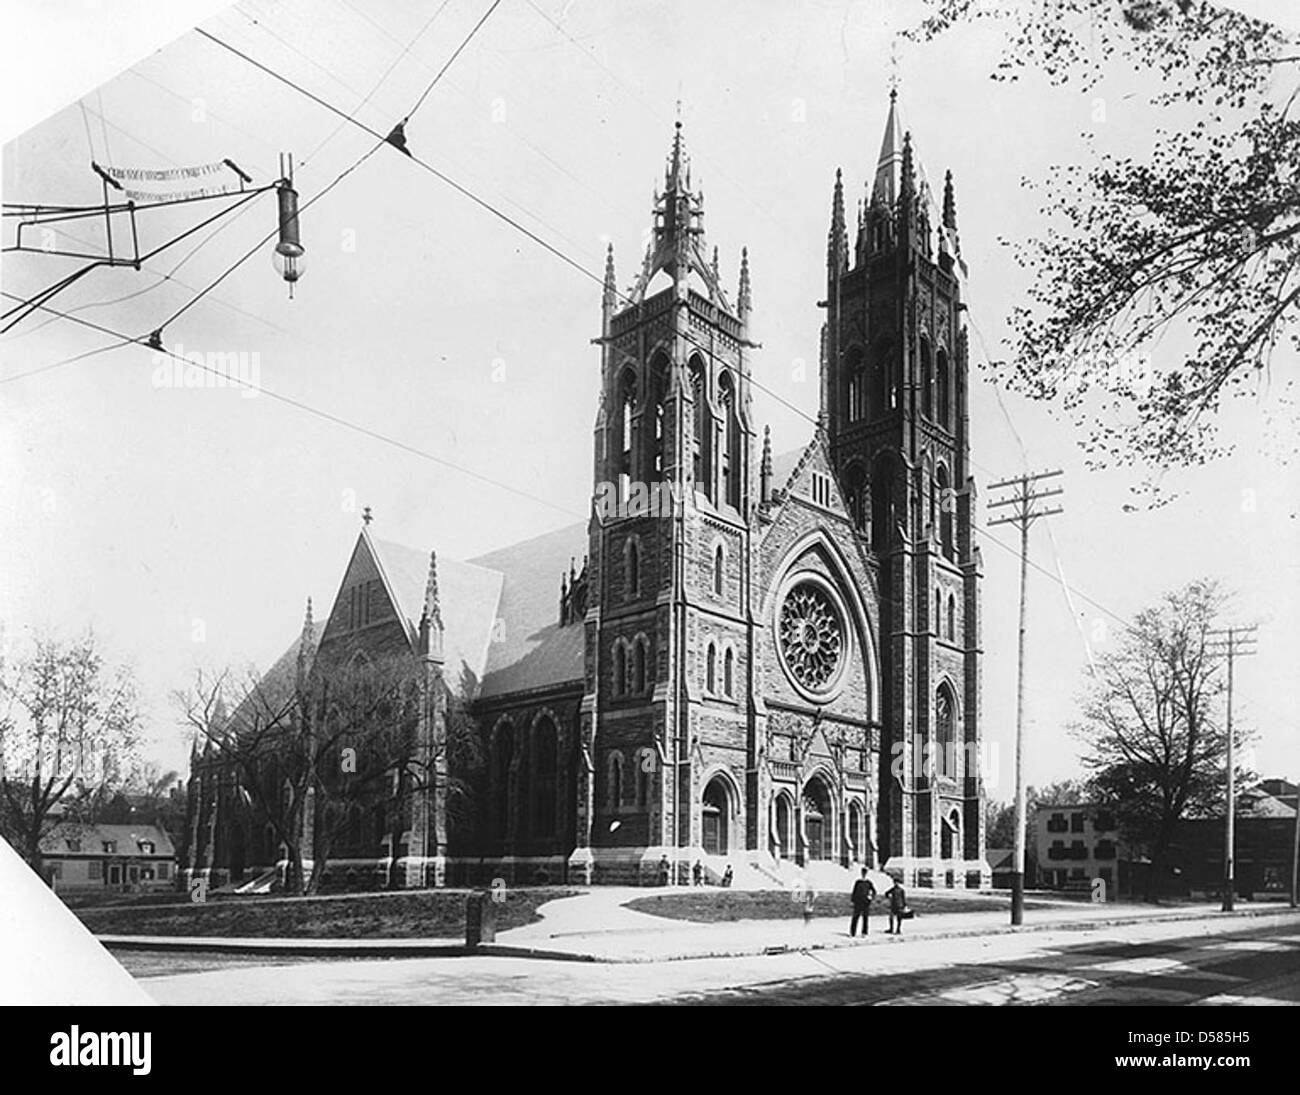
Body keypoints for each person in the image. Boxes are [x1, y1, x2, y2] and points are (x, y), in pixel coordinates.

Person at [849, 867, 876, 937]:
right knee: (855, 917)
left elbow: (874, 891)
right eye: (863, 873)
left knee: (865, 918)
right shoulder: (858, 882)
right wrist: (853, 900)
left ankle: (864, 932)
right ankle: (852, 932)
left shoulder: (868, 882)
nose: (863, 874)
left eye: (865, 873)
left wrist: (870, 898)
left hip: (865, 902)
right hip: (858, 902)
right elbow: (854, 892)